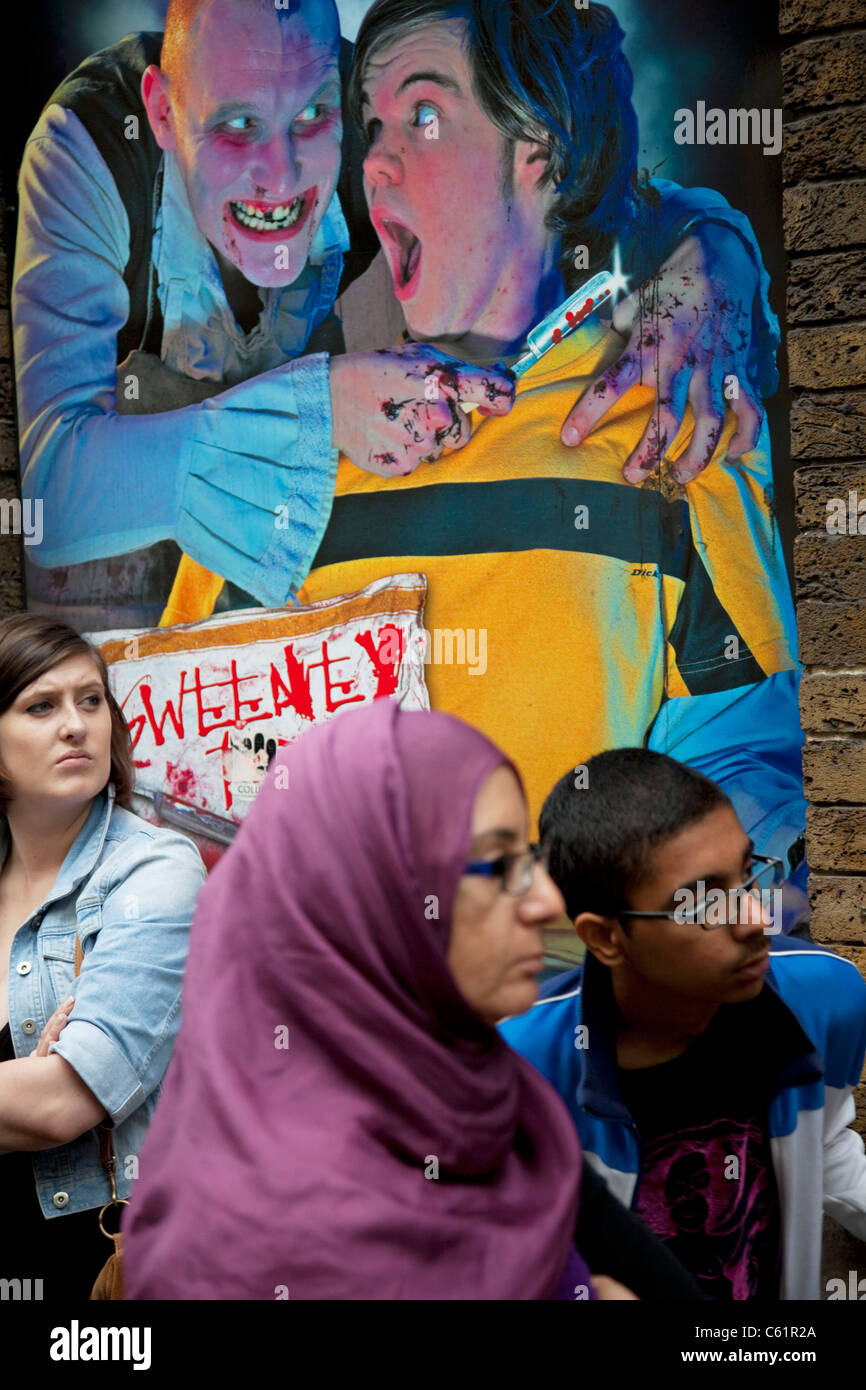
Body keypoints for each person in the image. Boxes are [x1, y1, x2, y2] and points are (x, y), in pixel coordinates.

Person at [15, 0, 778, 631]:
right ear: (158, 108)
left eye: (314, 116)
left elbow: (587, 191)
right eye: (236, 126)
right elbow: (54, 496)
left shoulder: (360, 115)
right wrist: (317, 409)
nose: (281, 176)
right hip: (114, 614)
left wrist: (713, 260)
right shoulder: (90, 147)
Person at [293, 0, 806, 884]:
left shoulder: (672, 406)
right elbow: (182, 740)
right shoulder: (288, 423)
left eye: (422, 116)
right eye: (370, 124)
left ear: (540, 150)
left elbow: (743, 770)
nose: (374, 159)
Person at [122, 700, 707, 1300]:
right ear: (371, 901)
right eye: (499, 865)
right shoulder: (251, 1248)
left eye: (528, 858)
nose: (544, 904)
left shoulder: (492, 1106)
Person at [499, 748, 866, 1301]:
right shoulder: (517, 1068)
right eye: (700, 903)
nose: (754, 917)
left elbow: (826, 1141)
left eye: (748, 874)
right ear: (604, 937)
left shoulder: (823, 999)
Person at [0, 613, 205, 1299]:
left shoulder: (154, 870)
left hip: (97, 1267)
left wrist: (39, 1086)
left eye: (91, 700)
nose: (75, 724)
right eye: (41, 705)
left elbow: (63, 1102)